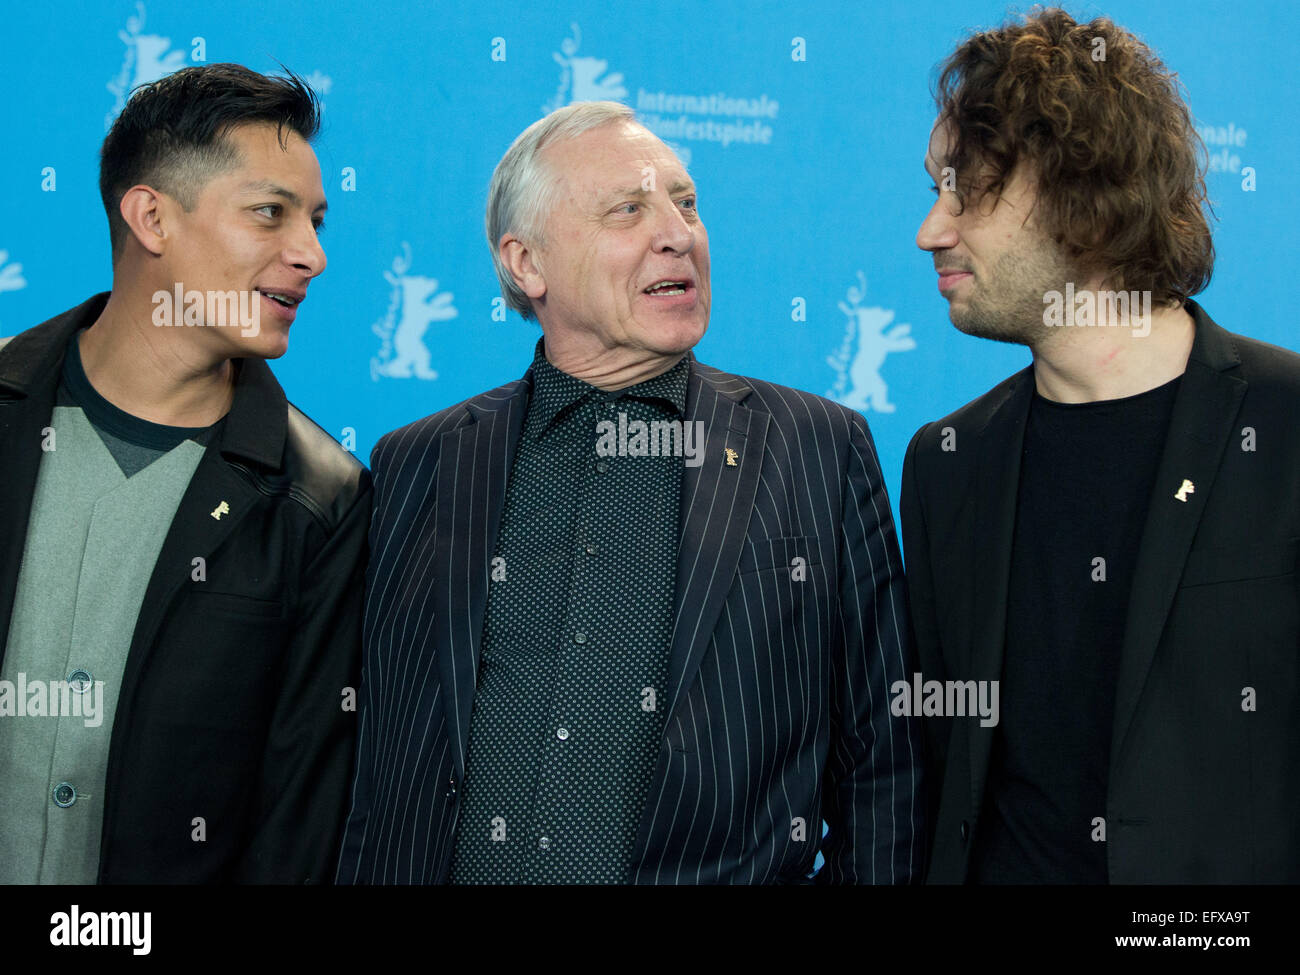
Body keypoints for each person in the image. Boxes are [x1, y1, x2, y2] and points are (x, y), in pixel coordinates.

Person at [338, 100, 921, 884]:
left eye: (686, 203)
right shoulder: (417, 461)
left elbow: (886, 759)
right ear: (526, 264)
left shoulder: (818, 447)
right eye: (629, 209)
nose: (677, 232)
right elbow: (372, 759)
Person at [905, 7, 1299, 883]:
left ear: (1077, 193)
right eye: (935, 189)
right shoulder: (946, 464)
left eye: (964, 187)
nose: (931, 231)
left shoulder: (1288, 425)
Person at [0, 63, 369, 883]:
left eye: (315, 220)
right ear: (152, 216)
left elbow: (295, 828)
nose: (311, 255)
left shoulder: (321, 499)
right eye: (271, 213)